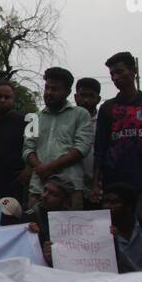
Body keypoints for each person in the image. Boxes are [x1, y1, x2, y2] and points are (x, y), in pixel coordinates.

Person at [90, 52, 142, 220]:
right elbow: (100, 148)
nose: (115, 77)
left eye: (119, 71)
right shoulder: (107, 108)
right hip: (113, 182)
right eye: (112, 74)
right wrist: (95, 184)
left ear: (133, 70)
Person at [23, 66, 93, 210]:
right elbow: (27, 149)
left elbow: (81, 149)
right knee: (36, 229)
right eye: (47, 88)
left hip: (69, 191)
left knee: (70, 231)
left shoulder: (81, 114)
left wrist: (49, 167)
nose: (49, 92)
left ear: (67, 92)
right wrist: (39, 167)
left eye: (55, 89)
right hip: (38, 189)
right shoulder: (34, 118)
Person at [74, 77, 101, 205]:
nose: (86, 100)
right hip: (73, 186)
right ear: (75, 97)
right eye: (82, 95)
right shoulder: (67, 121)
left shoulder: (104, 121)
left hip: (99, 187)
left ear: (98, 99)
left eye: (91, 96)